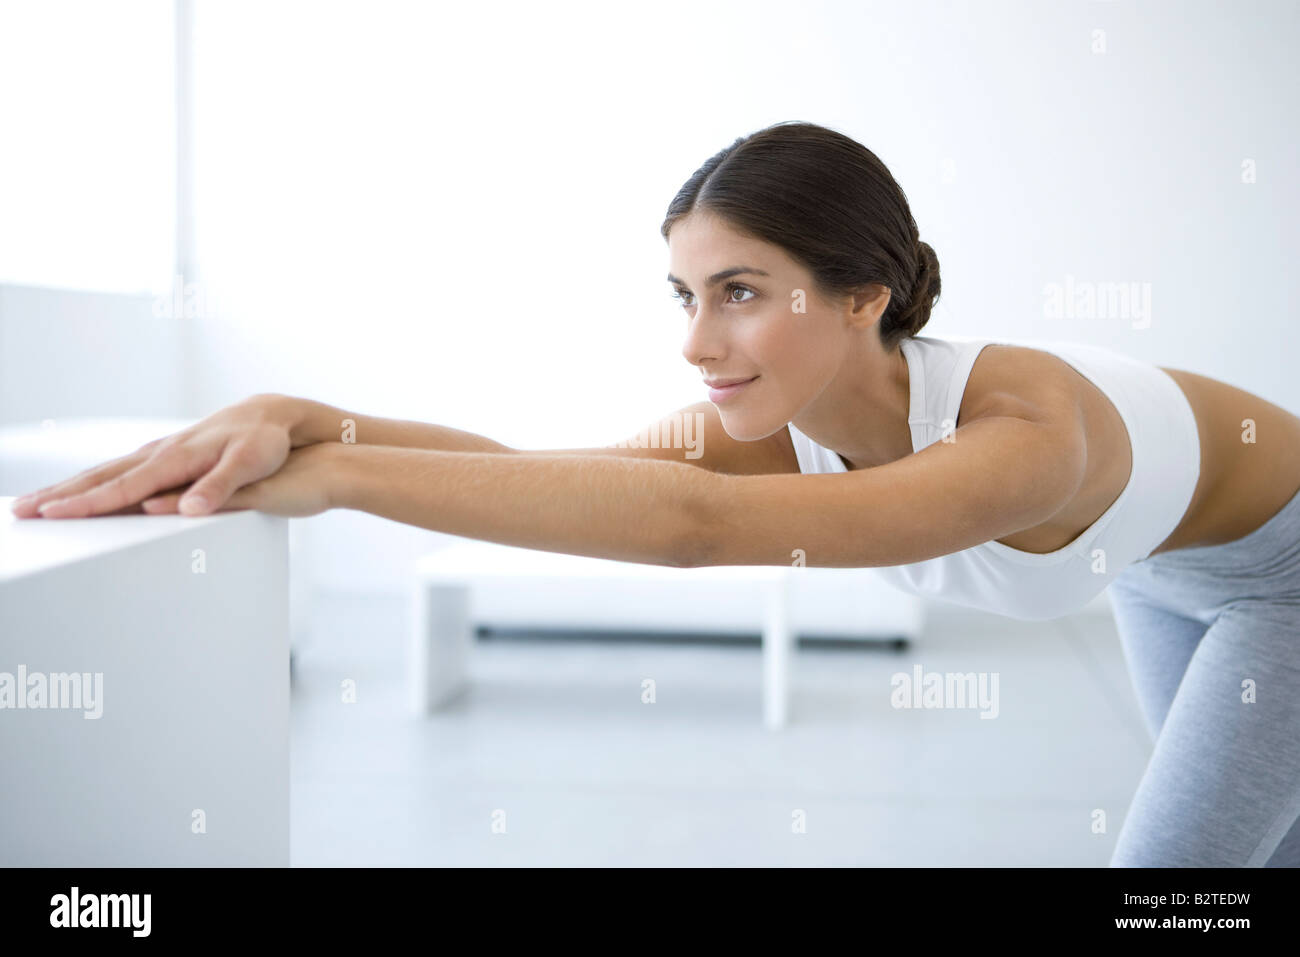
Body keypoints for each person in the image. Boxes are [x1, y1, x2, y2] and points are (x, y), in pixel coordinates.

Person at [12, 120, 1300, 867]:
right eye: (687, 297)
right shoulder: (772, 420)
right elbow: (541, 480)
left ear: (865, 296)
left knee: (1177, 884)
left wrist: (339, 477)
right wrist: (313, 416)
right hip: (1166, 565)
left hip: (1286, 576)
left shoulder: (1024, 437)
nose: (697, 342)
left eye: (740, 292)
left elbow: (693, 532)